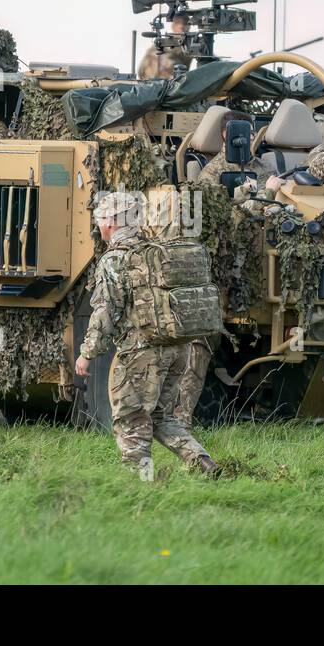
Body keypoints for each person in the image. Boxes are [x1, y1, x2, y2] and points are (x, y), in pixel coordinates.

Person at [75, 192, 220, 476]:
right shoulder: (157, 251)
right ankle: (201, 461)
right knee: (162, 417)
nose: (98, 226)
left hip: (142, 354)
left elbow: (105, 312)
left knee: (130, 419)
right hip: (179, 348)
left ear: (114, 222)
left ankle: (138, 482)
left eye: (101, 219)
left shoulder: (114, 260)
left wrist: (86, 354)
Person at [136, 14, 193, 80]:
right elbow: (141, 70)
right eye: (178, 23)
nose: (181, 26)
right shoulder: (161, 43)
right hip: (150, 82)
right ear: (173, 26)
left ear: (189, 27)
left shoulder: (191, 43)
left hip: (174, 82)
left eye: (185, 24)